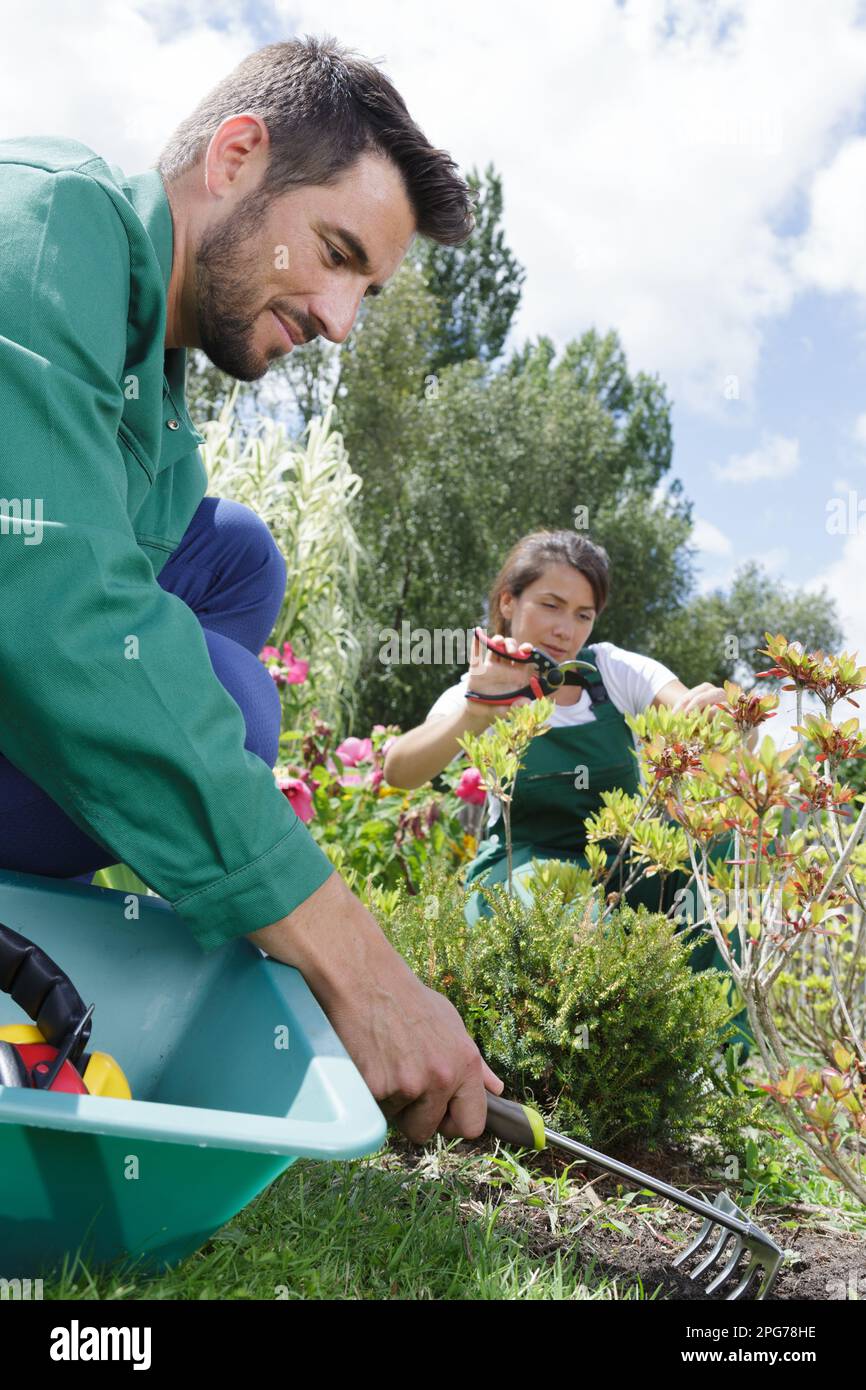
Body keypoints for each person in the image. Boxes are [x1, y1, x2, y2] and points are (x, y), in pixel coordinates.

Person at [0, 36, 504, 1145]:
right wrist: (352, 959)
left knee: (234, 552)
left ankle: (164, 877)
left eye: (365, 290)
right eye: (332, 254)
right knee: (228, 693)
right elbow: (61, 613)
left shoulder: (160, 399)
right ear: (233, 157)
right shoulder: (51, 225)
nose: (338, 321)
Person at [383, 530, 754, 1052]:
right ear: (509, 603)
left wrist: (723, 716)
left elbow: (686, 707)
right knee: (565, 901)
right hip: (524, 862)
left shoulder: (611, 670)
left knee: (717, 846)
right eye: (551, 605)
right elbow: (397, 769)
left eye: (583, 614)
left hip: (625, 857)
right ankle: (581, 1067)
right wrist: (476, 712)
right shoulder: (480, 690)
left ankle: (714, 1055)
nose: (566, 629)